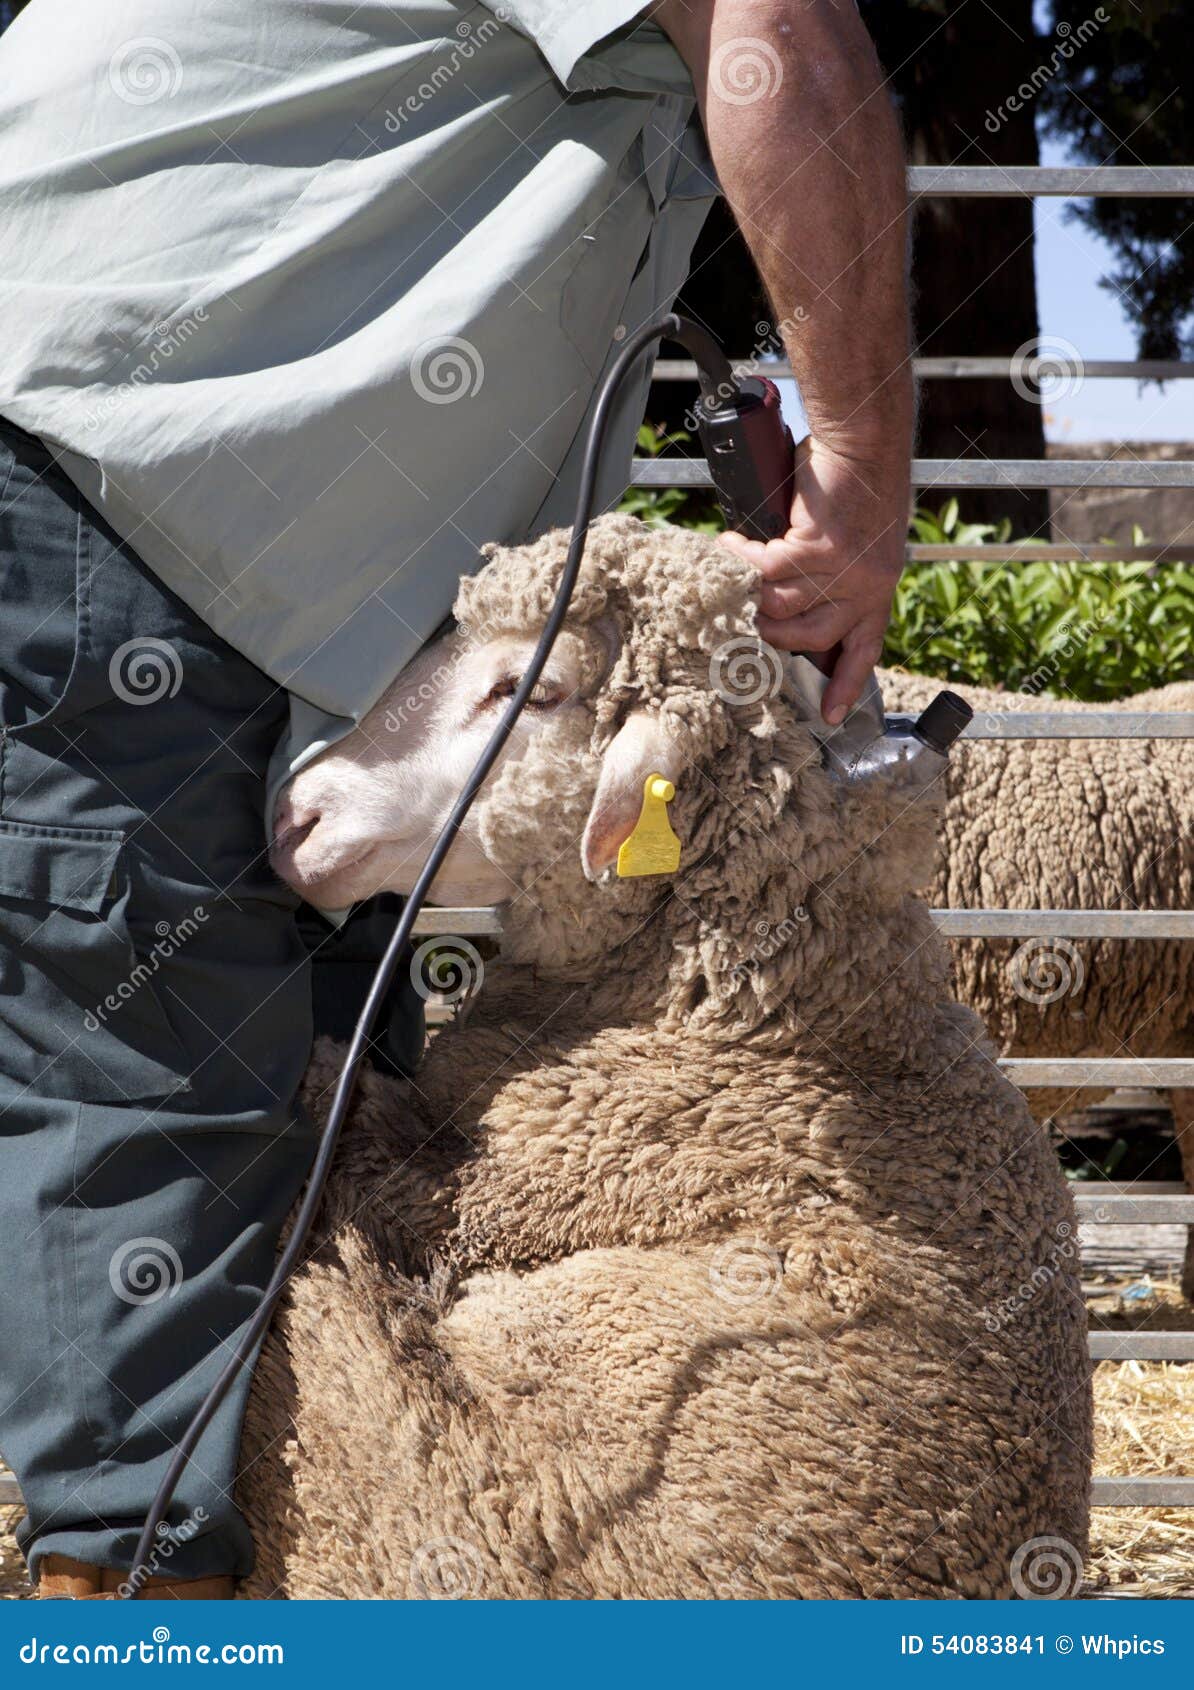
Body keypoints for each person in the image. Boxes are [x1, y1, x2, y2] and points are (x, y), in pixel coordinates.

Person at [0, 0, 912, 1598]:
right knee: (153, 1096)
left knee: (309, 1111)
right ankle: (129, 1611)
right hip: (119, 481)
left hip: (236, 551)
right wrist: (858, 461)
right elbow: (773, 30)